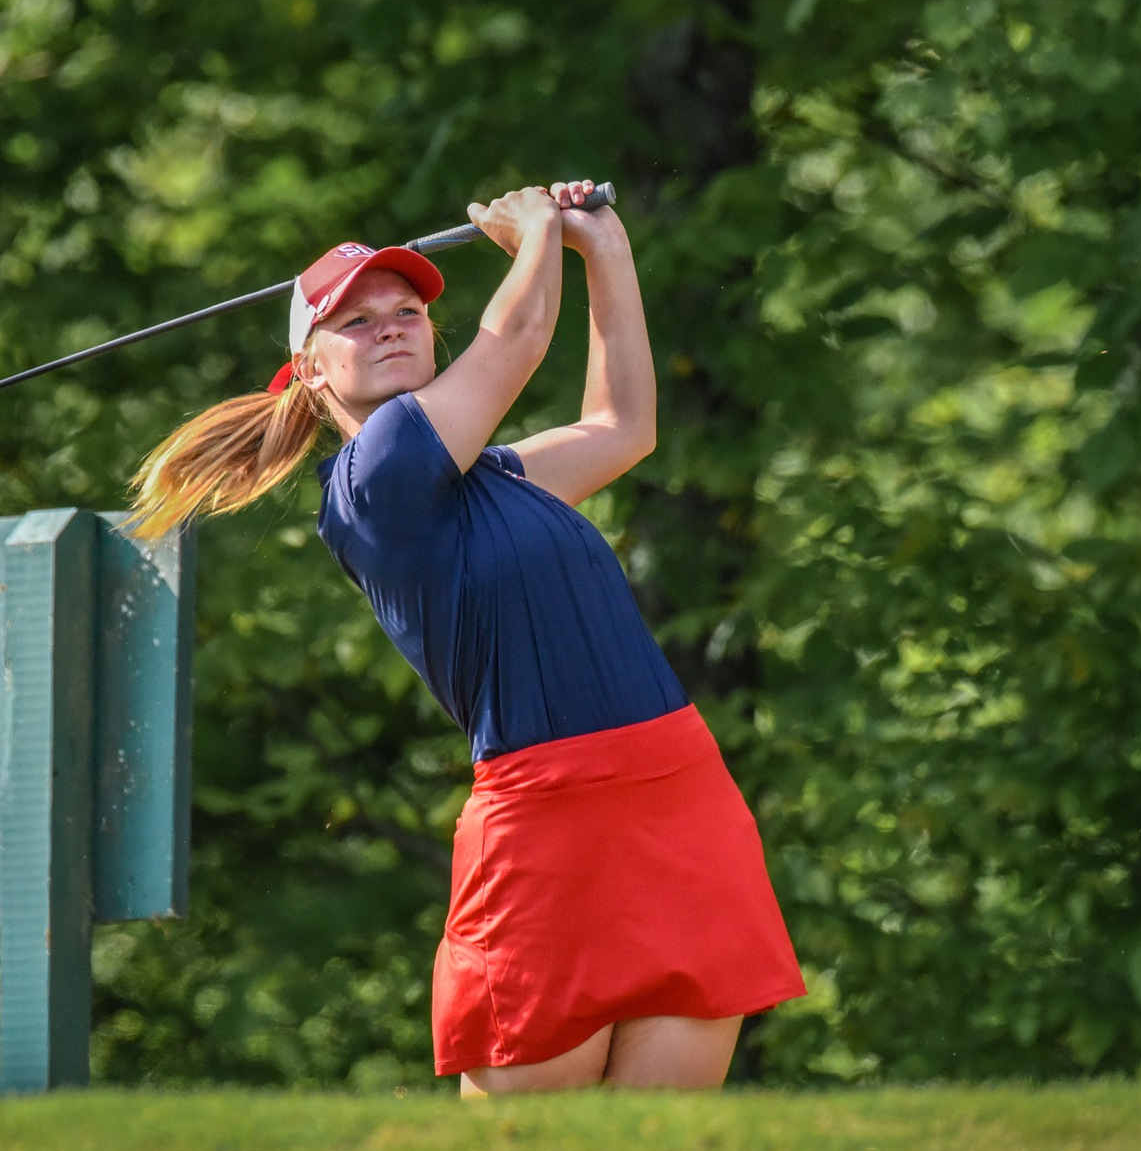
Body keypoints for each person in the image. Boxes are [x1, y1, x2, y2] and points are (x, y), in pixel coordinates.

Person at [127, 179, 805, 1095]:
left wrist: (603, 249)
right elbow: (518, 339)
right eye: (354, 322)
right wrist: (532, 233)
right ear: (310, 369)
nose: (390, 325)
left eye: (405, 309)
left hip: (674, 791)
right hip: (546, 819)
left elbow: (622, 426)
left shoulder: (493, 476)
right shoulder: (373, 479)